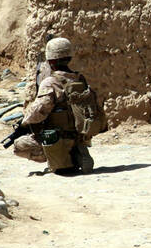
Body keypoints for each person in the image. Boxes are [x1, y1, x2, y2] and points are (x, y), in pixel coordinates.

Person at [12, 37, 102, 175]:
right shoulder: (80, 79)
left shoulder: (51, 82)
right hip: (79, 136)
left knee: (19, 146)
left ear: (51, 61)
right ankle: (77, 152)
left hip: (58, 138)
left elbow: (38, 112)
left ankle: (59, 161)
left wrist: (24, 124)